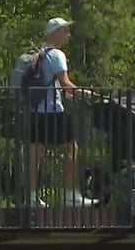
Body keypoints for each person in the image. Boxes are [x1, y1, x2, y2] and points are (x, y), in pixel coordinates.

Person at [28, 17, 98, 207]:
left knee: (35, 153)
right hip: (53, 111)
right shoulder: (57, 55)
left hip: (35, 111)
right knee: (71, 149)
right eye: (65, 31)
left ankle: (32, 198)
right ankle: (71, 196)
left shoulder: (37, 54)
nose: (68, 35)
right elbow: (65, 84)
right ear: (55, 34)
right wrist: (85, 93)